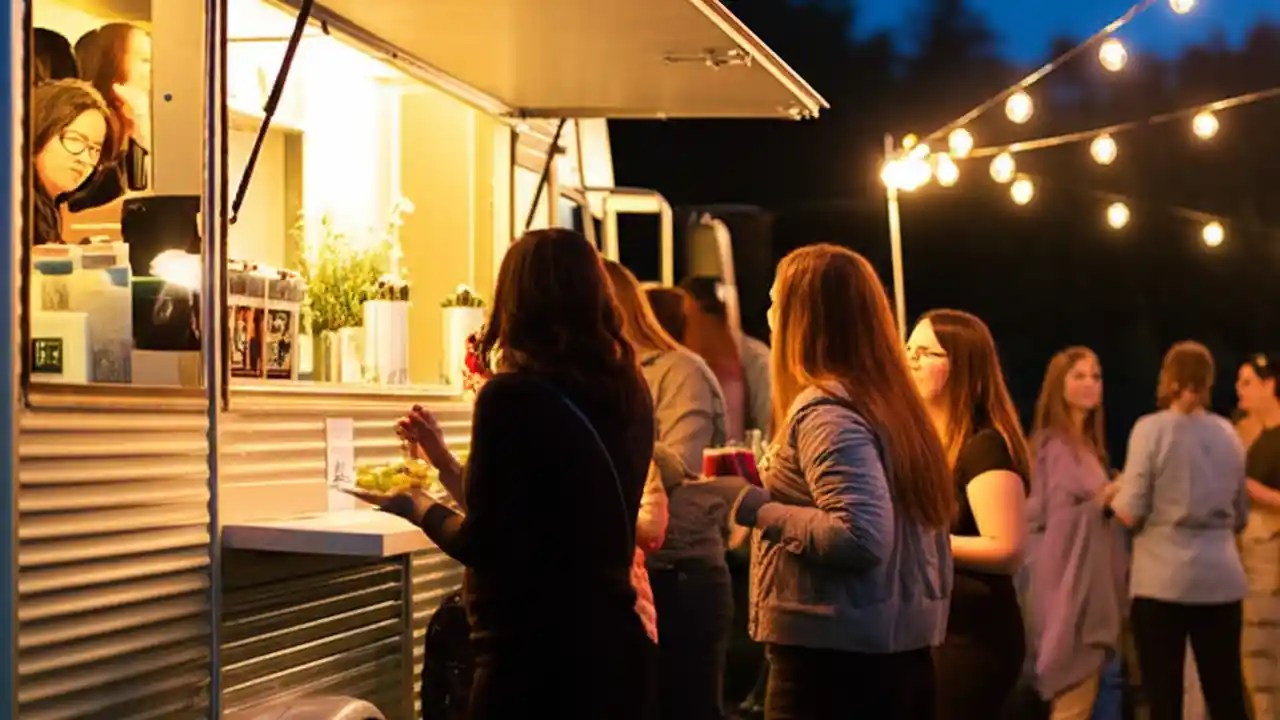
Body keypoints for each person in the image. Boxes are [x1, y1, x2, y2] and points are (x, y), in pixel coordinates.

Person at [358, 229, 658, 719]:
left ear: (515, 298)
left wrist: (415, 504)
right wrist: (443, 463)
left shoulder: (511, 397)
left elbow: (485, 543)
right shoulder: (631, 394)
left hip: (534, 665)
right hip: (614, 654)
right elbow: (539, 516)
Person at [721, 244, 956, 719]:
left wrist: (753, 507)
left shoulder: (828, 411)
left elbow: (860, 536)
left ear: (805, 317)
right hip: (894, 655)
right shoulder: (892, 406)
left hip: (832, 662)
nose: (767, 316)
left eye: (775, 302)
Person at [605, 260, 732, 720]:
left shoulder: (680, 369)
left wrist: (596, 439)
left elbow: (681, 459)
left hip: (678, 570)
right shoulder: (599, 375)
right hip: (626, 573)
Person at [1104, 341, 1250, 720]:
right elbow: (1240, 514)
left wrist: (1109, 494)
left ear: (1167, 379)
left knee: (1163, 695)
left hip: (1162, 581)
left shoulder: (1151, 430)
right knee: (1226, 690)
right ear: (1208, 381)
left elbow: (1130, 512)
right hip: (1221, 578)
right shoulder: (1228, 434)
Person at [906, 309, 1030, 720]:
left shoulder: (982, 446)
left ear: (960, 366)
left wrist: (924, 540)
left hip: (973, 637)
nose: (911, 360)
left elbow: (1008, 548)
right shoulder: (928, 445)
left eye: (926, 352)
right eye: (908, 349)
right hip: (932, 631)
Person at [1026, 347, 1125, 720]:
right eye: (1078, 376)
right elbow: (1043, 517)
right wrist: (1103, 500)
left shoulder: (1089, 449)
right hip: (1065, 591)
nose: (1089, 384)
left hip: (1091, 590)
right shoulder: (1051, 447)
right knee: (1072, 705)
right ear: (1058, 385)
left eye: (1095, 376)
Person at [1234, 353, 1280, 720]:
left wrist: (1253, 490)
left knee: (1263, 656)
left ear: (1270, 386)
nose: (1239, 390)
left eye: (1248, 382)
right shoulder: (1242, 430)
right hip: (1241, 557)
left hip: (1269, 559)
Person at [680, 276, 771, 441]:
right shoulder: (685, 365)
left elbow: (769, 430)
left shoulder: (757, 361)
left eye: (686, 316)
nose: (682, 324)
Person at [71, 23, 151, 211]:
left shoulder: (130, 118)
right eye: (144, 60)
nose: (153, 69)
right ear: (113, 62)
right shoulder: (92, 121)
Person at [32, 80, 111, 245]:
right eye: (74, 140)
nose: (85, 159)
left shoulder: (47, 209)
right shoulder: (14, 204)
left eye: (94, 150)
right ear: (41, 129)